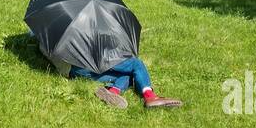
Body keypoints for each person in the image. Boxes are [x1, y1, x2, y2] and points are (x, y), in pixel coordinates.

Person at [43, 51, 182, 109]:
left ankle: (113, 92)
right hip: (84, 61)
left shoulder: (48, 34)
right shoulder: (80, 26)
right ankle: (150, 97)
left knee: (129, 75)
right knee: (135, 64)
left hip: (71, 72)